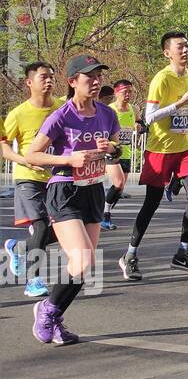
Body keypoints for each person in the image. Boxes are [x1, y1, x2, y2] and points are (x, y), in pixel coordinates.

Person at [25, 55, 123, 346]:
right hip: (65, 189)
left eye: (98, 76)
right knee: (82, 257)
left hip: (92, 189)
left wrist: (111, 149)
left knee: (85, 264)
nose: (95, 82)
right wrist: (69, 158)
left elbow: (117, 150)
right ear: (72, 82)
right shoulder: (61, 116)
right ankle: (47, 311)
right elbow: (33, 155)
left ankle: (53, 316)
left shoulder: (107, 114)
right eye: (88, 77)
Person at [120, 31, 188, 281]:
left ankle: (183, 252)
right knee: (151, 204)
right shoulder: (161, 78)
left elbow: (186, 111)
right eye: (180, 46)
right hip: (160, 149)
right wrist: (179, 104)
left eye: (187, 45)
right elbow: (149, 117)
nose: (186, 50)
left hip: (185, 146)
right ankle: (130, 255)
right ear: (167, 52)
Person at [3, 62, 62, 298]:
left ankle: (17, 248)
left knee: (61, 228)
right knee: (40, 225)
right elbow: (4, 148)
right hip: (28, 177)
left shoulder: (61, 107)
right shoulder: (18, 113)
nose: (48, 81)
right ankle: (33, 279)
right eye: (42, 77)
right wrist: (26, 160)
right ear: (29, 82)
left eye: (51, 77)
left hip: (57, 178)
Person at [101, 79, 137, 231]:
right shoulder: (109, 110)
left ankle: (104, 212)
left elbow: (140, 123)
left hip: (126, 152)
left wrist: (140, 126)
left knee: (120, 187)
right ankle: (105, 216)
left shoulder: (133, 109)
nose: (128, 95)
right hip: (111, 152)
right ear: (116, 93)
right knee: (118, 183)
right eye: (124, 92)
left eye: (130, 92)